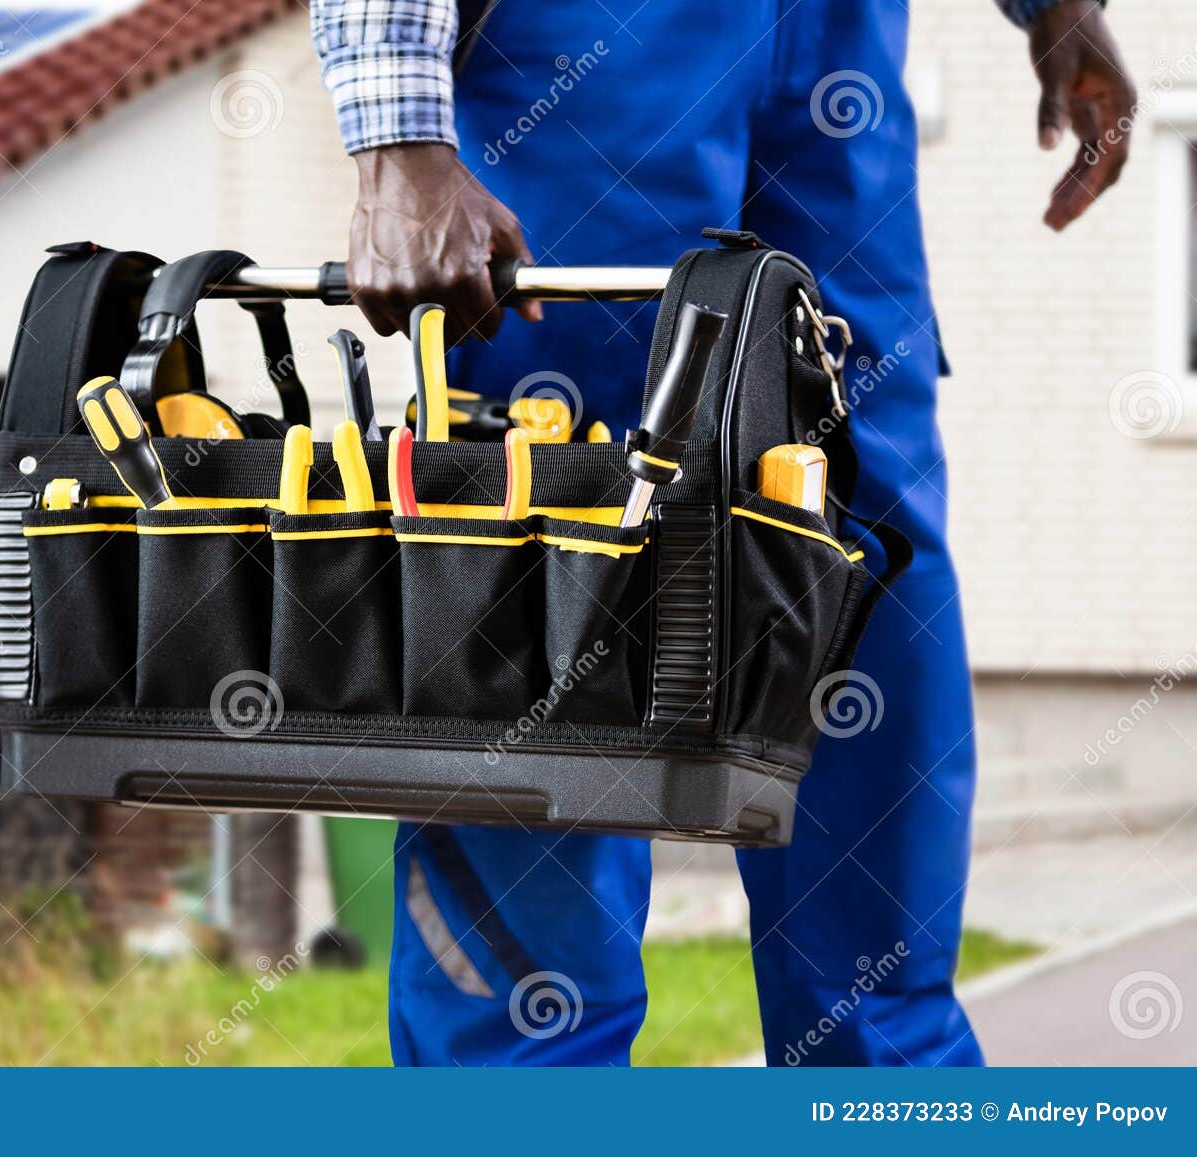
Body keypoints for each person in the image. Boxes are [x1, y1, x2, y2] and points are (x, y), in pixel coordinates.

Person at [309, 0, 1135, 1066]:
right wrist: (397, 133)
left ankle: (885, 1078)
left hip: (841, 46)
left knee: (862, 548)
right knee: (552, 551)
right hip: (582, 49)